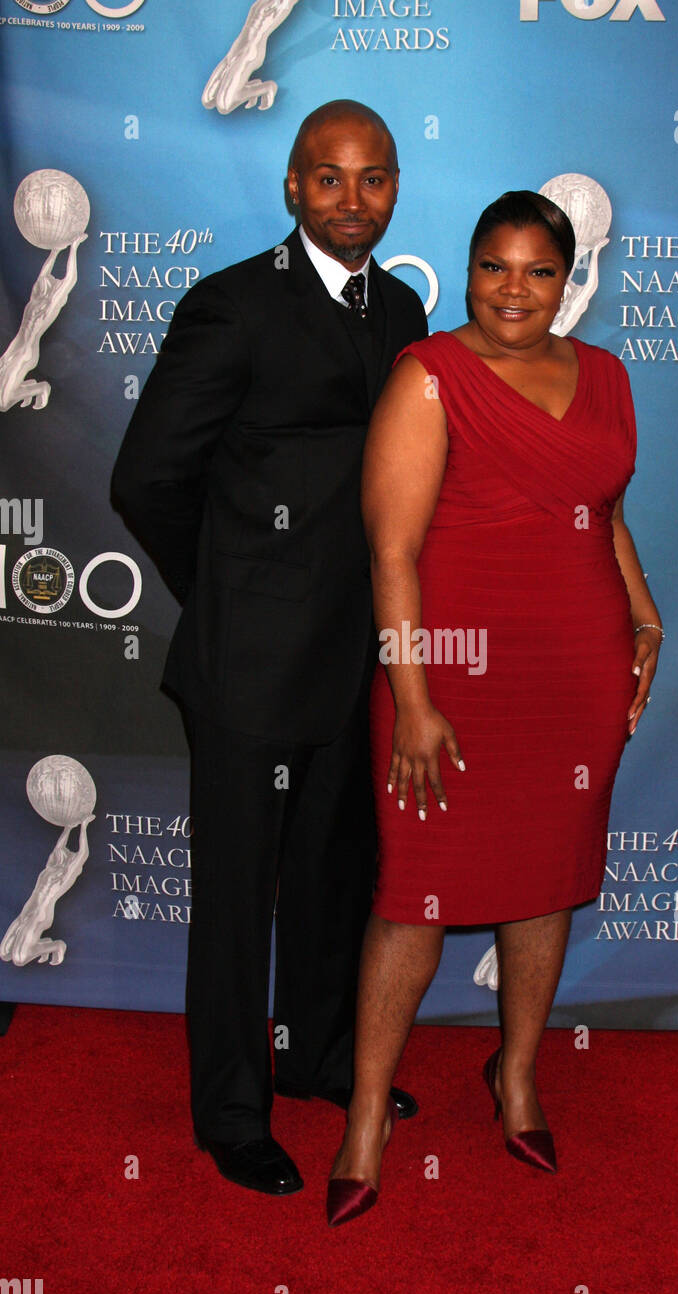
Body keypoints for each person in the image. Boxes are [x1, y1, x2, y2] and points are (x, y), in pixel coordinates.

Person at [326, 191, 662, 1227]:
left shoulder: (604, 375)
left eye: (537, 271)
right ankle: (366, 1117)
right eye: (492, 267)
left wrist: (643, 613)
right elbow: (389, 552)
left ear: (568, 282)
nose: (512, 290)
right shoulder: (429, 378)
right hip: (450, 678)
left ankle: (515, 1077)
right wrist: (412, 698)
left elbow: (598, 513)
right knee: (412, 902)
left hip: (573, 669)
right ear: (466, 271)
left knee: (543, 886)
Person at [111, 100, 427, 1196]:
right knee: (241, 895)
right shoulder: (232, 306)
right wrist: (228, 596)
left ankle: (322, 1059)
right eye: (328, 178)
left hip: (355, 656)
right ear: (291, 187)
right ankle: (233, 1109)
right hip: (248, 663)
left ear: (394, 190)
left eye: (372, 179)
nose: (351, 200)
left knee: (338, 873)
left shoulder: (401, 309)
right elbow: (145, 477)